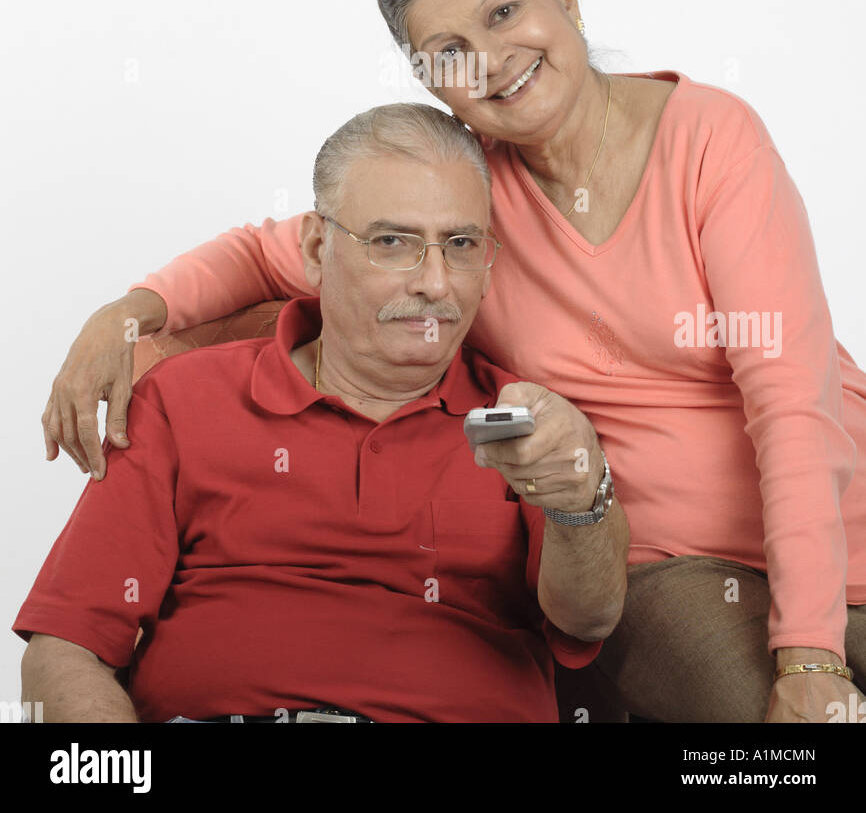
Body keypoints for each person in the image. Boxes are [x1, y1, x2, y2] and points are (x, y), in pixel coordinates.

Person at [42, 0, 866, 723]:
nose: (493, 61)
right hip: (668, 568)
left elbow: (791, 400)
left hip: (838, 522)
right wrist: (127, 314)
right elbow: (271, 253)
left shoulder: (711, 138)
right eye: (449, 54)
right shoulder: (463, 205)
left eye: (505, 12)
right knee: (784, 740)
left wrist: (811, 651)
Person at [16, 104, 628, 724]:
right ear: (315, 246)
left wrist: (580, 496)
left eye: (462, 244)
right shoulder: (184, 397)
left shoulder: (527, 419)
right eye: (393, 242)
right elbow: (67, 646)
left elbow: (587, 620)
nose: (437, 285)